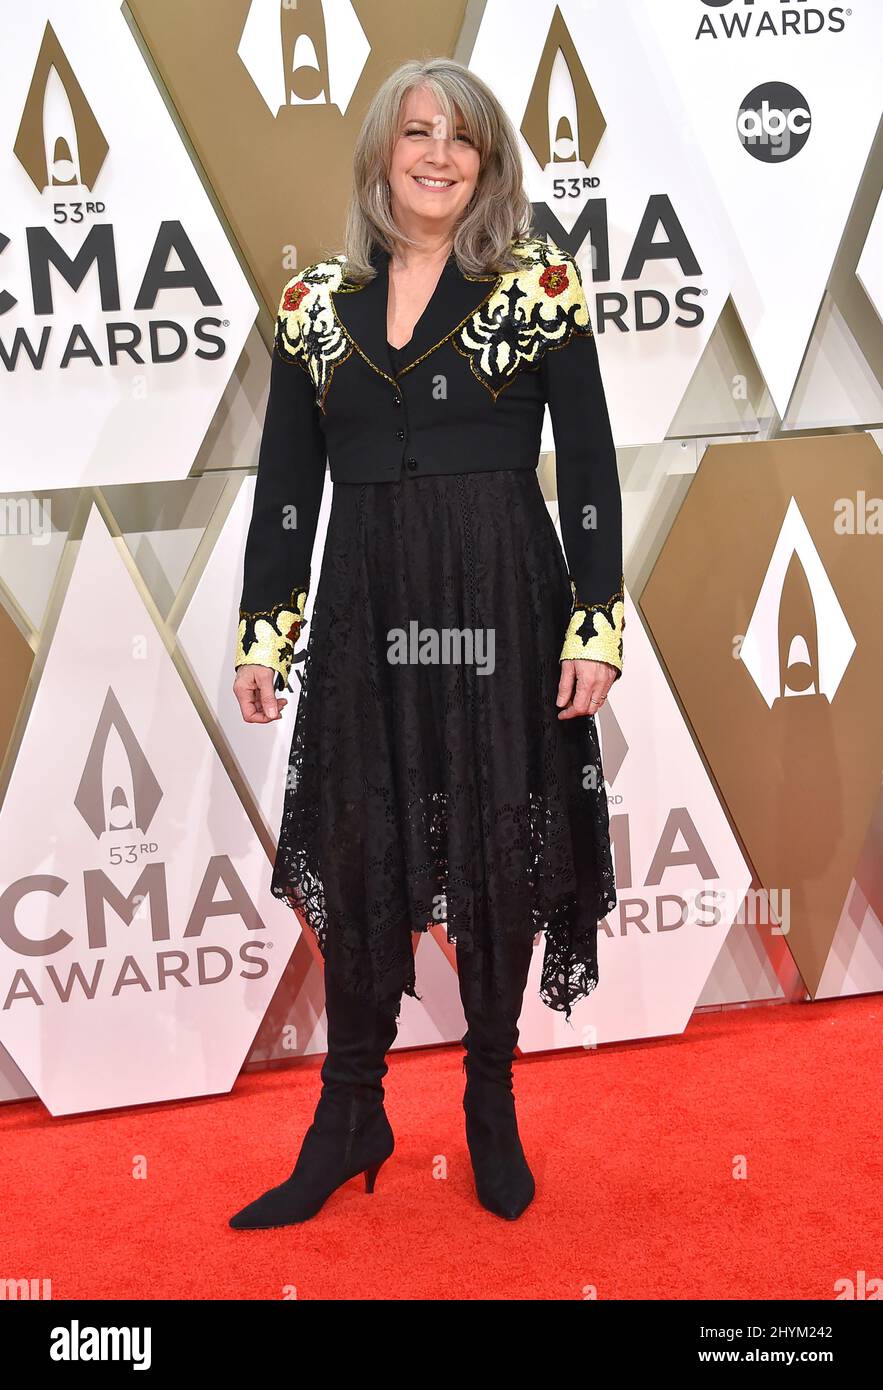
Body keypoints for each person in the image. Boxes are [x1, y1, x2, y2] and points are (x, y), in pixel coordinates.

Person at [228, 57, 624, 1230]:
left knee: (498, 848)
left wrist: (594, 620)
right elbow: (286, 493)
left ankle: (490, 1098)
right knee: (358, 851)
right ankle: (350, 1111)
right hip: (365, 611)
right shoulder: (312, 308)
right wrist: (265, 633)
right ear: (382, 155)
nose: (436, 156)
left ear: (488, 160)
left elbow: (591, 470)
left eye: (460, 139)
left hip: (501, 599)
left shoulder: (538, 288)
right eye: (416, 134)